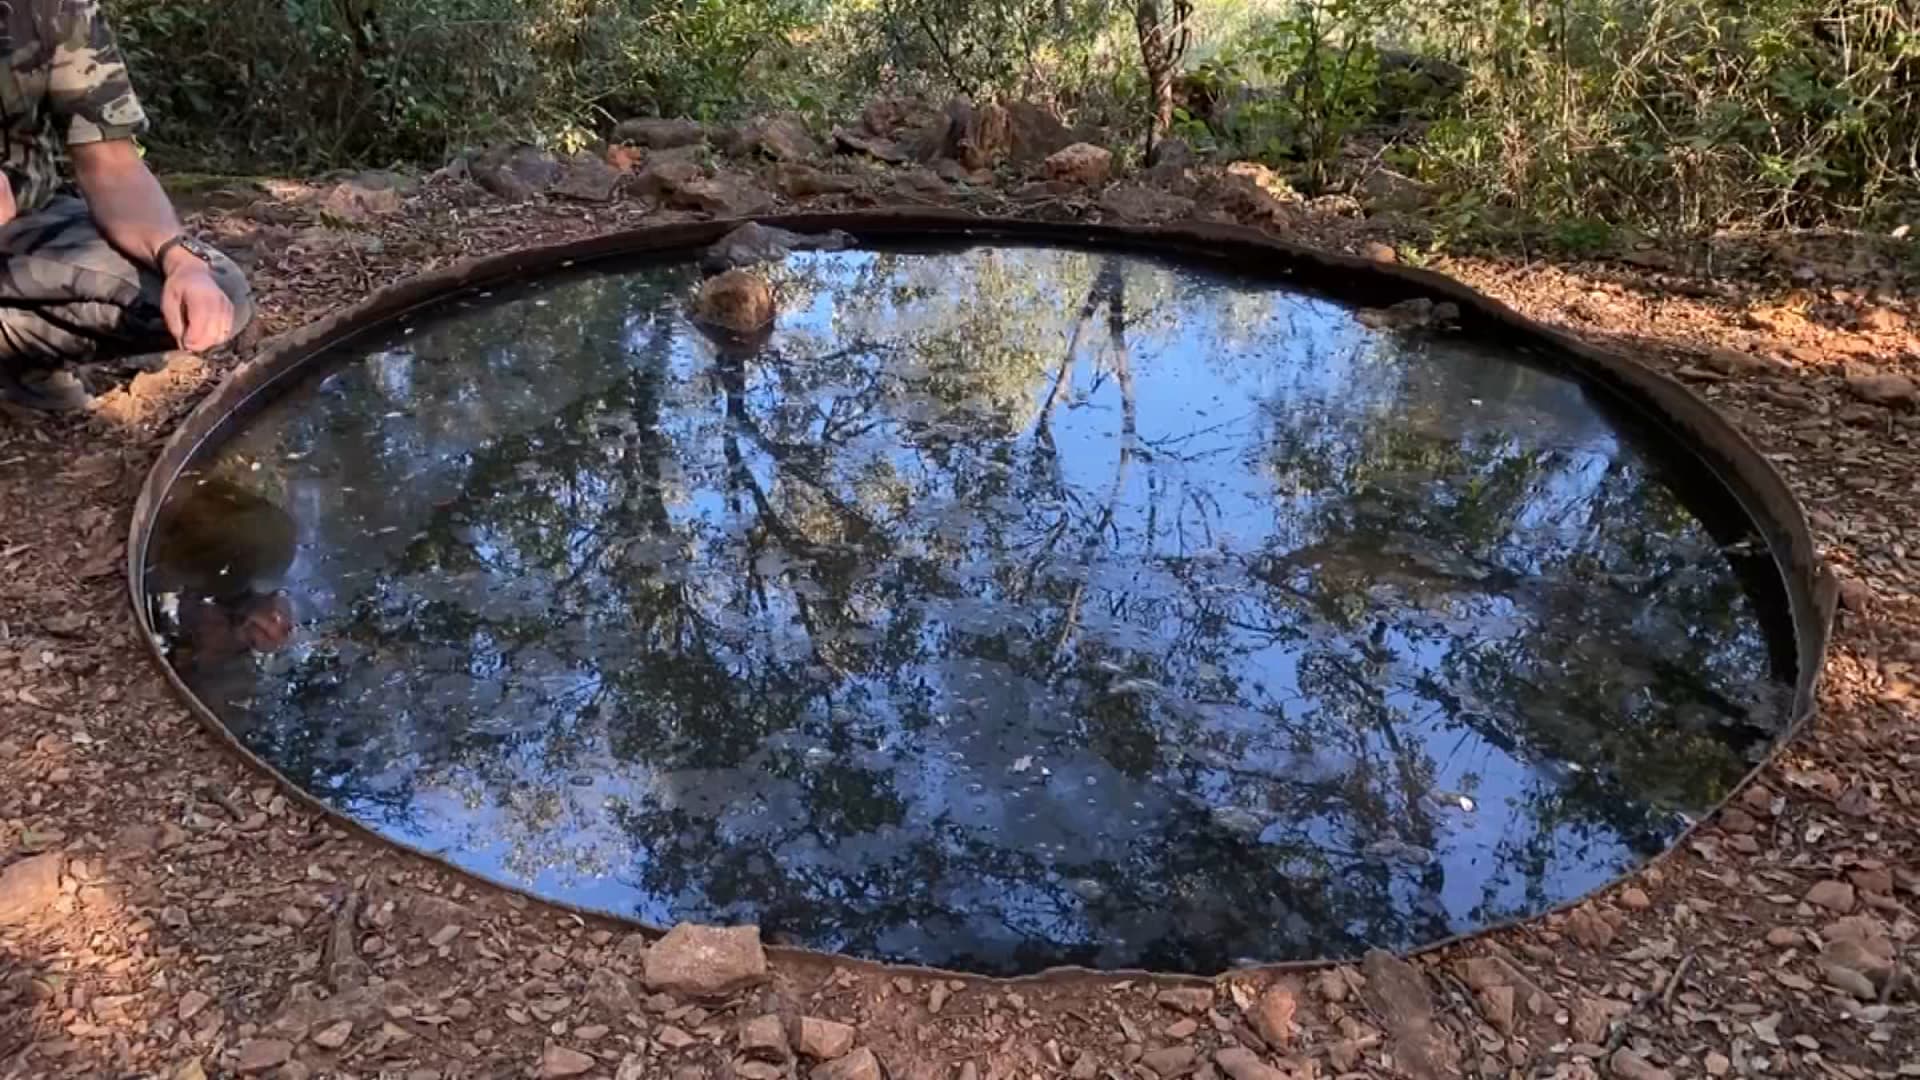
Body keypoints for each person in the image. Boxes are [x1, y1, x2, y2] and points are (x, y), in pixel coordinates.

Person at [0, 0, 253, 413]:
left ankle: (16, 358)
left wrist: (181, 261)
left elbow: (111, 165)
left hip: (23, 226)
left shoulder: (55, 8)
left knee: (215, 292)